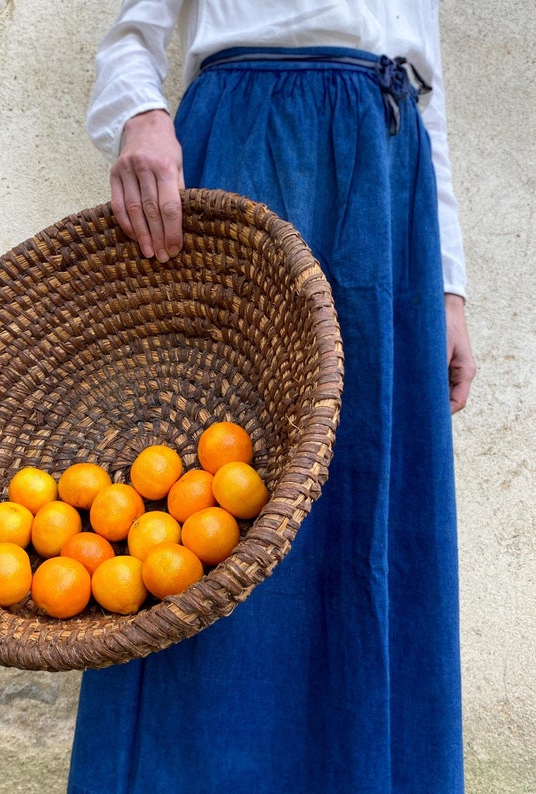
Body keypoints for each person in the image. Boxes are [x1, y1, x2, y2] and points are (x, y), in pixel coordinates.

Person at [68, 3, 476, 792]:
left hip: (390, 174)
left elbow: (427, 91)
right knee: (209, 493)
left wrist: (449, 287)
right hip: (251, 137)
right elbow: (132, 33)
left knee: (369, 493)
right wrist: (141, 114)